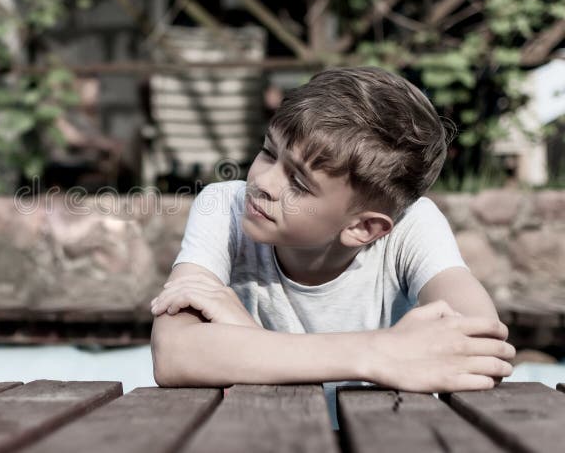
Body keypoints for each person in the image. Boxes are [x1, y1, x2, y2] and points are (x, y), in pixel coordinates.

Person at [149, 67, 515, 428]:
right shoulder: (225, 206)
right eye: (267, 152)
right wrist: (380, 352)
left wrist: (244, 338)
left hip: (383, 435)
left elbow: (482, 344)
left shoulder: (412, 225)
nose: (262, 181)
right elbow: (173, 354)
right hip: (263, 435)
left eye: (299, 183)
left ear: (363, 227)